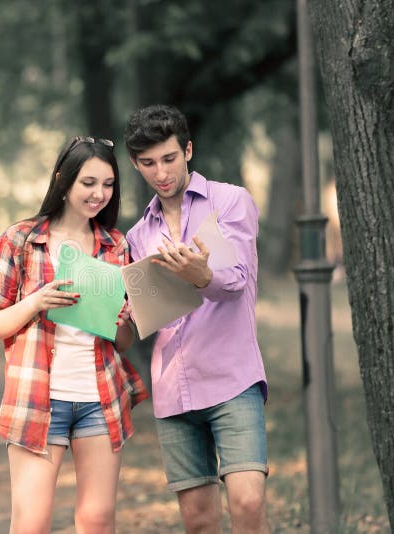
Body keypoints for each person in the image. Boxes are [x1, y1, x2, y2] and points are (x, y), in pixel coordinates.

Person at [0, 136, 148, 533]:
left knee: (96, 519)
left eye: (108, 184)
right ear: (63, 180)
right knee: (32, 523)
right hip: (39, 398)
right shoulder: (20, 240)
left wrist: (122, 323)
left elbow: (122, 342)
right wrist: (36, 301)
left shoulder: (116, 246)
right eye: (88, 183)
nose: (99, 194)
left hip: (99, 397)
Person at [123, 104, 269, 533]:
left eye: (169, 158)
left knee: (247, 504)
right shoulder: (138, 235)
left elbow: (237, 281)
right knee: (199, 522)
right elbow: (146, 314)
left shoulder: (229, 202)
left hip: (231, 379)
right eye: (148, 163)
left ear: (188, 150)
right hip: (174, 388)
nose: (161, 172)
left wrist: (200, 274)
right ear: (135, 164)